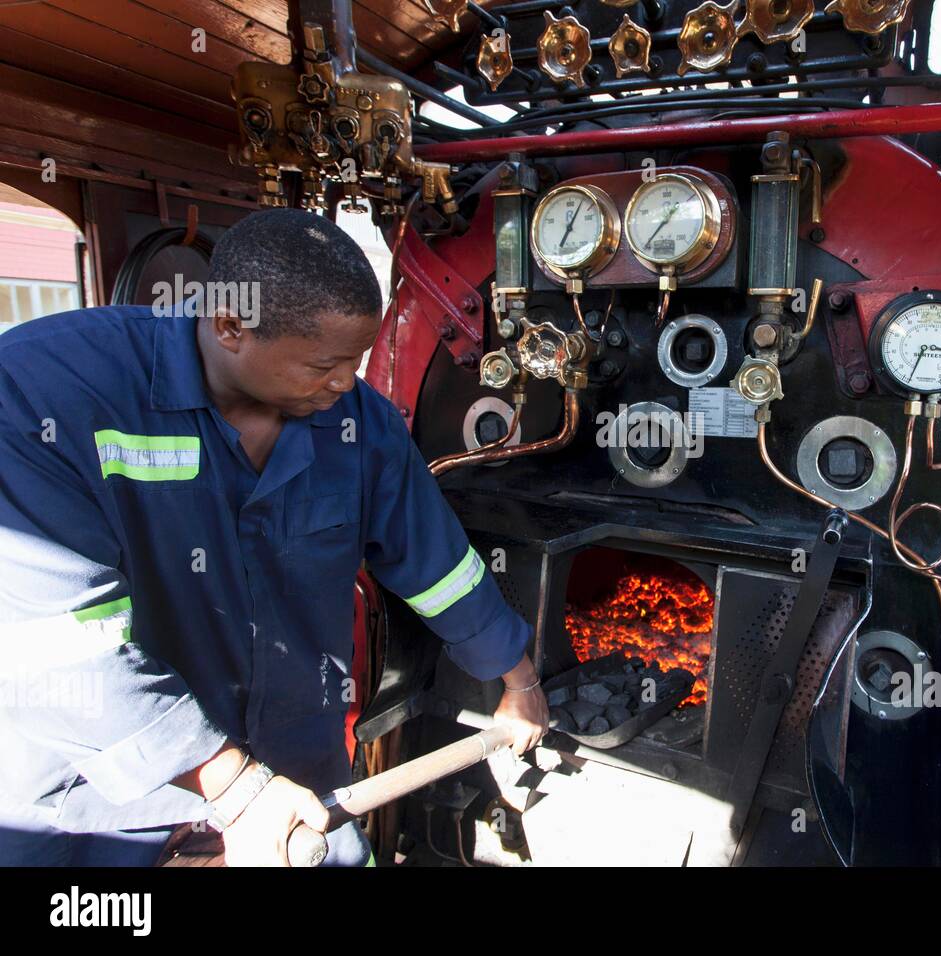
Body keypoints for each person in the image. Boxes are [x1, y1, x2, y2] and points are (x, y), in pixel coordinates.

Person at [0, 208, 548, 866]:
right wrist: (233, 788)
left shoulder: (355, 424)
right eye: (326, 363)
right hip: (105, 812)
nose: (347, 383)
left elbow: (437, 564)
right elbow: (59, 645)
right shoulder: (44, 395)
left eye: (358, 360)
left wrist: (517, 681)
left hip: (294, 787)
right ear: (231, 326)